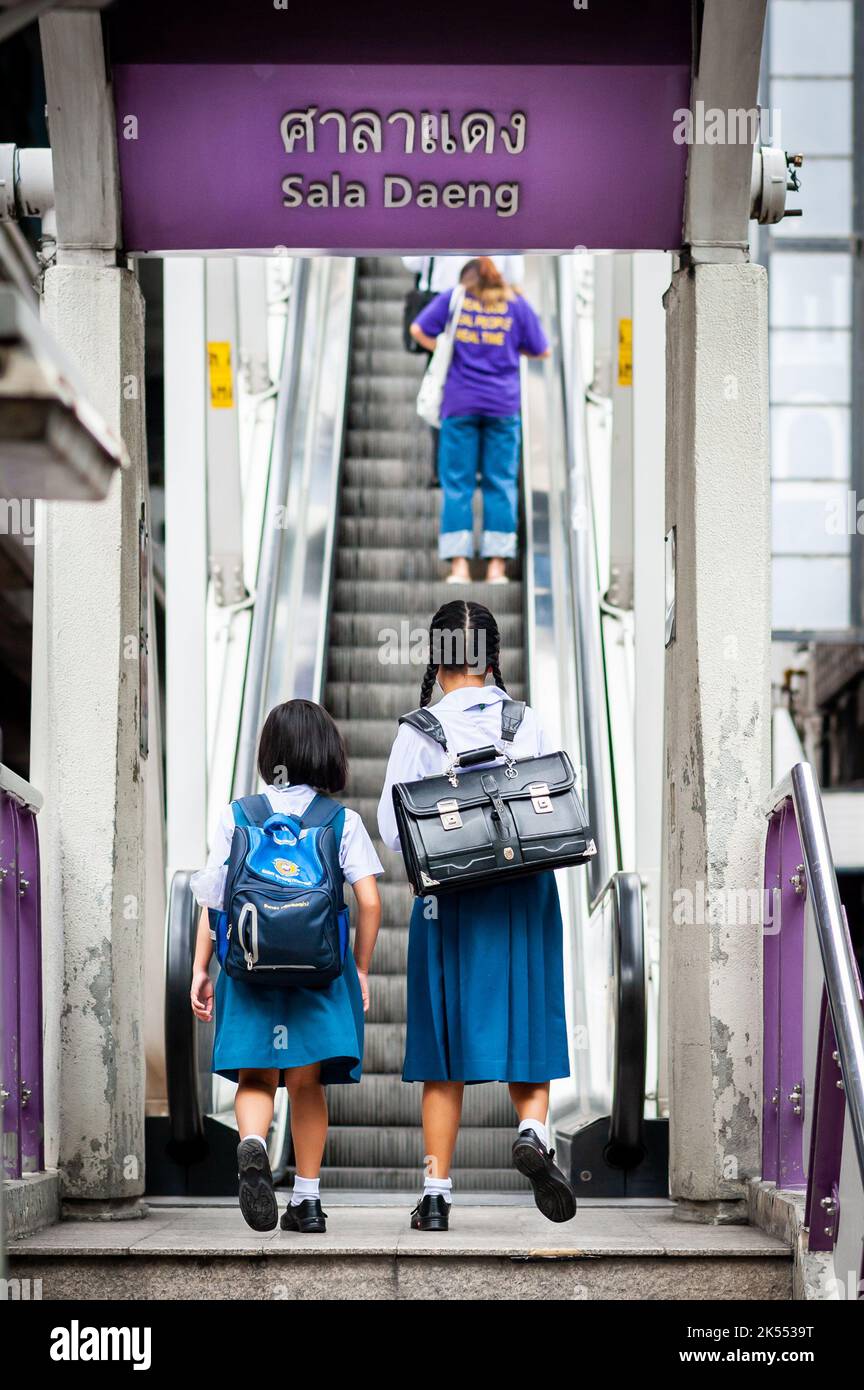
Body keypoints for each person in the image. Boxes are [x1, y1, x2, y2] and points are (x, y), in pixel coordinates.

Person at [377, 600, 577, 1231]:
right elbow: (559, 804)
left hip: (448, 903)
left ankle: (436, 1195)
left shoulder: (420, 730)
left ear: (438, 661)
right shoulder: (527, 722)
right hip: (523, 896)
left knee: (444, 1056)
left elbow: (389, 827)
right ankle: (531, 1130)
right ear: (494, 659)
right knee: (530, 1035)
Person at [190, 699, 382, 1234]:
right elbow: (369, 902)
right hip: (320, 973)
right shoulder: (341, 821)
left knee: (255, 1074)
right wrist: (359, 968)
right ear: (326, 752)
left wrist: (201, 968)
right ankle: (308, 1201)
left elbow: (213, 897)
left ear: (269, 753)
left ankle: (253, 1143)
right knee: (305, 1082)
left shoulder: (239, 814)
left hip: (249, 966)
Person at [410, 258, 549, 584]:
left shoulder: (456, 297)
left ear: (467, 278)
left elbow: (418, 329)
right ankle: (496, 568)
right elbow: (542, 350)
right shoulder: (515, 304)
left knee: (457, 484)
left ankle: (459, 567)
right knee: (500, 484)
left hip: (460, 404)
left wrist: (445, 349)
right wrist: (510, 351)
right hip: (502, 406)